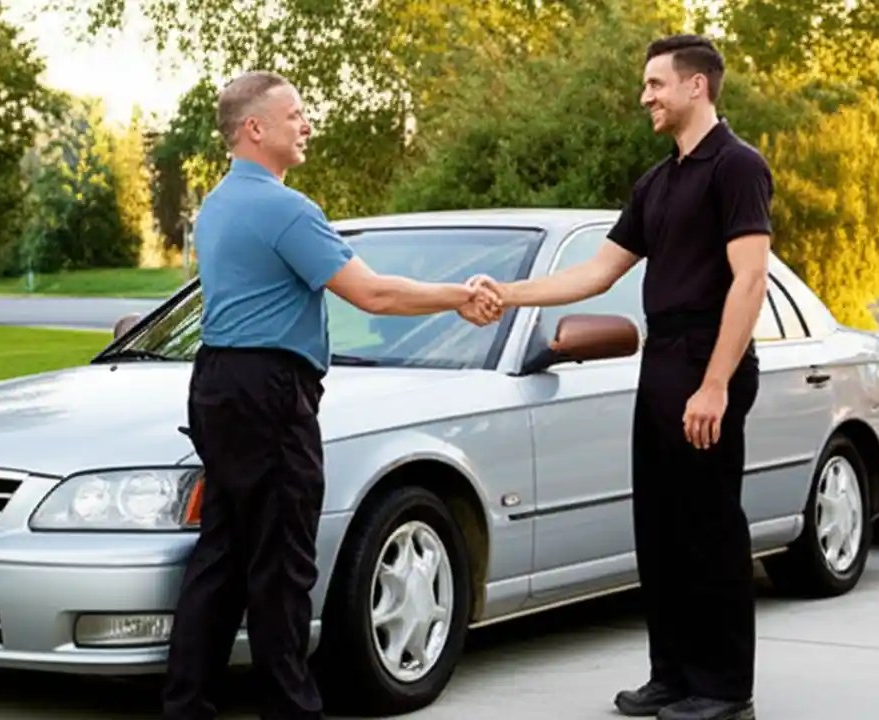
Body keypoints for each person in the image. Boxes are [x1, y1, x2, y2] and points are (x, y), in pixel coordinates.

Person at [160, 70, 500, 720]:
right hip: (269, 394)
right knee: (282, 561)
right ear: (254, 128)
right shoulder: (284, 208)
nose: (306, 124)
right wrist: (459, 296)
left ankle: (188, 704)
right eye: (294, 115)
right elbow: (371, 294)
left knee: (224, 551)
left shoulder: (220, 204)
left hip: (217, 384)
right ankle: (291, 709)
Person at [474, 35, 771, 720]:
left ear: (696, 86)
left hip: (708, 360)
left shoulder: (737, 167)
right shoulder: (658, 182)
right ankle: (672, 676)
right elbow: (598, 272)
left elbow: (749, 280)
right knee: (661, 528)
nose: (645, 97)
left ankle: (724, 690)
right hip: (663, 360)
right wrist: (507, 295)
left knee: (710, 529)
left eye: (655, 84)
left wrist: (717, 383)